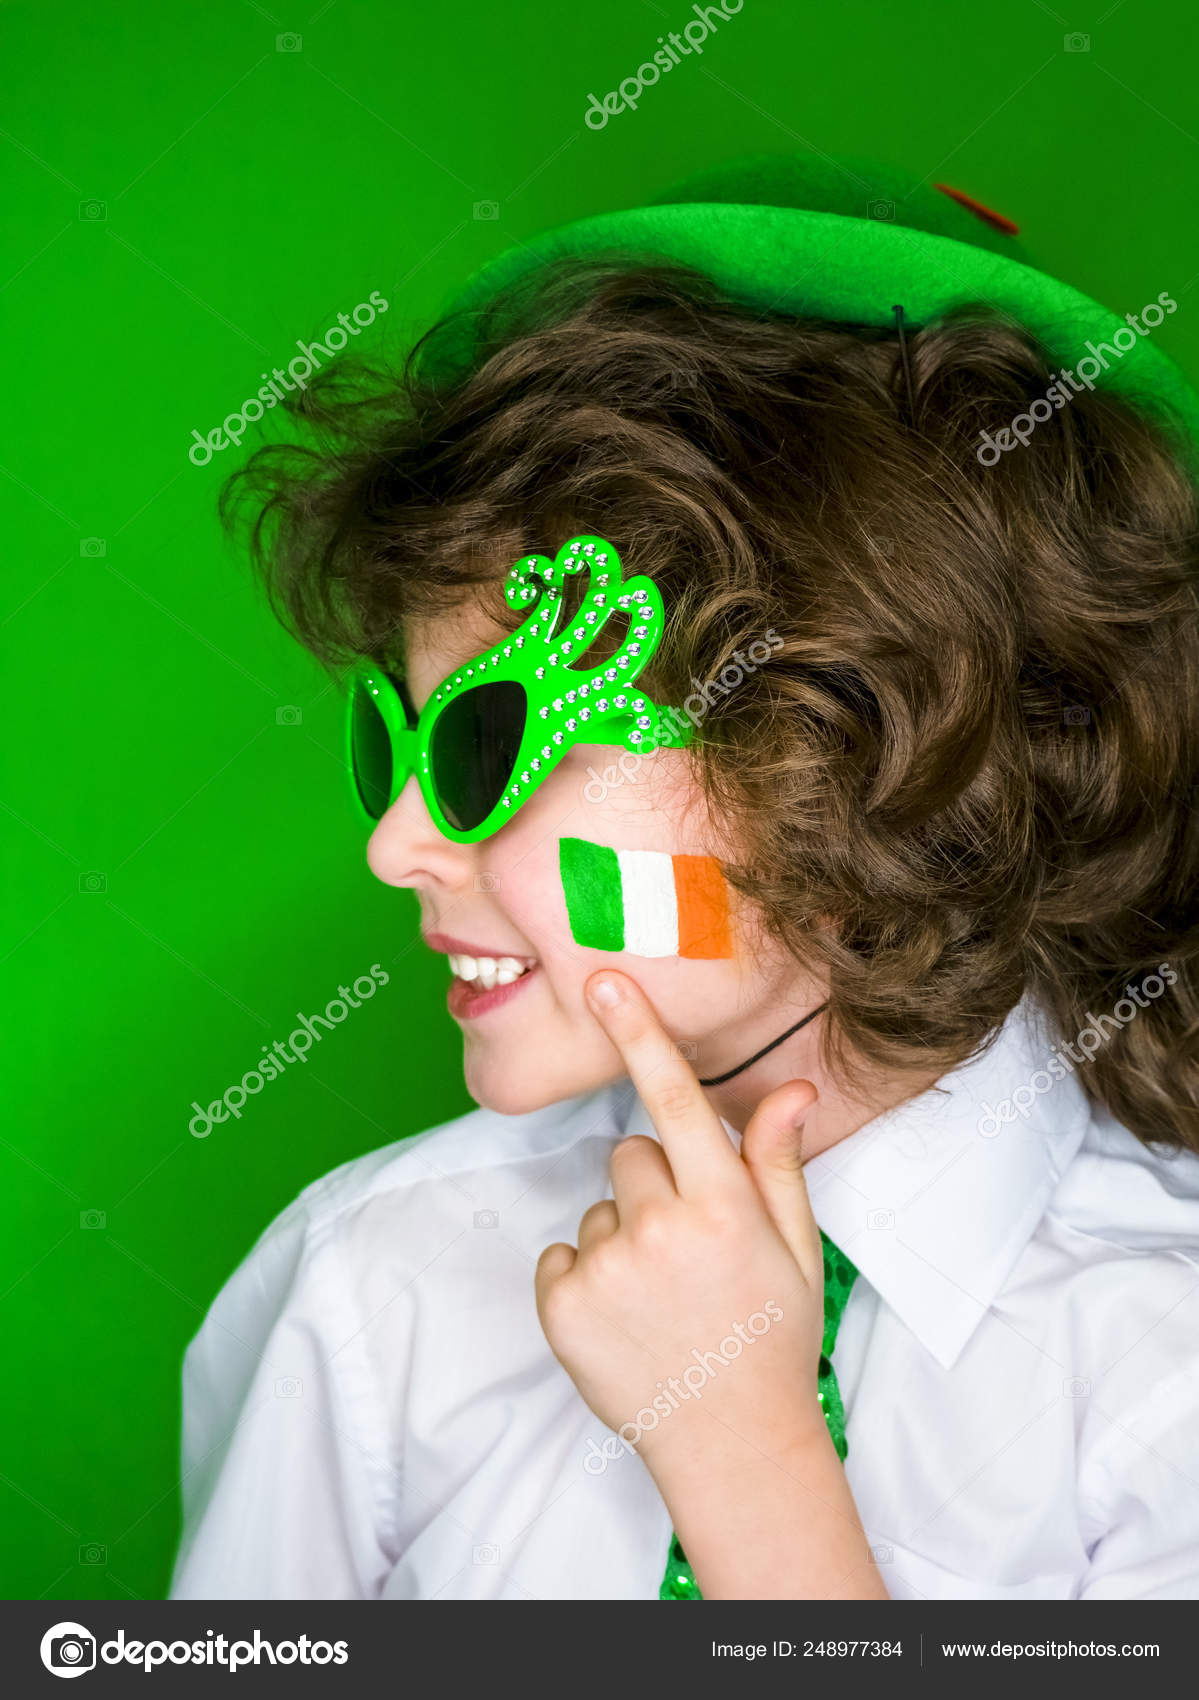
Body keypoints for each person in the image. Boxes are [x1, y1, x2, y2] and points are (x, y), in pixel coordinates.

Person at [168, 154, 1199, 1601]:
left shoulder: (1165, 1369)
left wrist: (745, 1458)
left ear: (861, 764)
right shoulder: (373, 1283)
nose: (395, 846)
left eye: (481, 748)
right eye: (387, 746)